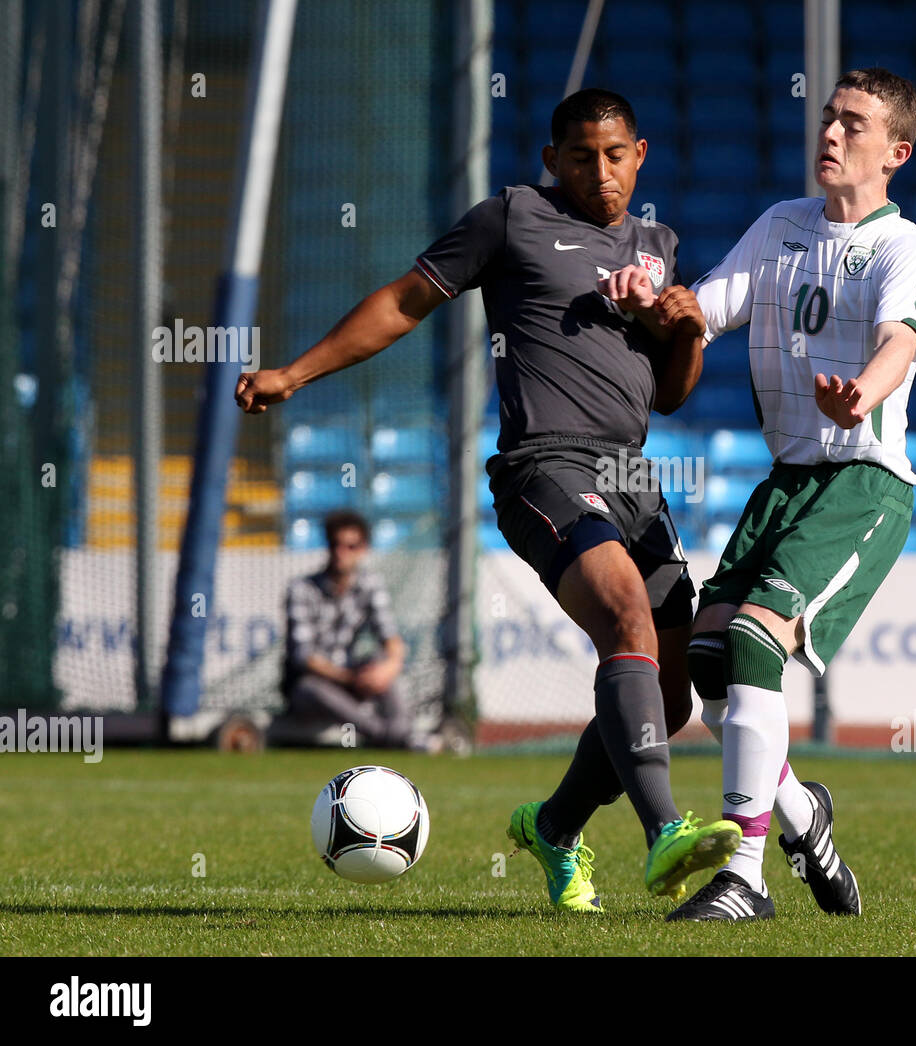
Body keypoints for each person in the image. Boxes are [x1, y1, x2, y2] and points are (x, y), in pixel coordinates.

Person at [236, 88, 739, 913]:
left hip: (633, 479)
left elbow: (673, 396)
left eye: (615, 155)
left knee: (673, 691)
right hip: (543, 466)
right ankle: (666, 833)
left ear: (639, 156)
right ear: (553, 160)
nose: (600, 172)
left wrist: (683, 329)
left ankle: (554, 826)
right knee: (626, 617)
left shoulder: (658, 244)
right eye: (581, 156)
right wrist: (292, 372)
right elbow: (405, 302)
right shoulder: (513, 219)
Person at [666, 68, 916, 921]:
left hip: (863, 484)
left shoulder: (907, 249)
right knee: (707, 666)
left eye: (853, 125)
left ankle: (742, 877)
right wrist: (658, 303)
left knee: (754, 646)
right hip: (787, 479)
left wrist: (861, 390)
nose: (831, 135)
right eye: (828, 119)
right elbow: (704, 312)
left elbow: (902, 340)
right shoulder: (780, 226)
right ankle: (801, 815)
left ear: (895, 153)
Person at [281, 510, 416, 749]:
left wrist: (388, 667)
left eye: (350, 546)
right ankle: (389, 736)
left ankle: (401, 729)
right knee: (311, 688)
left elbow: (390, 637)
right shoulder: (301, 589)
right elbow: (304, 657)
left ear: (364, 549)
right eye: (335, 545)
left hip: (351, 679)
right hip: (313, 687)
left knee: (380, 661)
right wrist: (351, 679)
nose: (340, 553)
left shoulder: (369, 585)